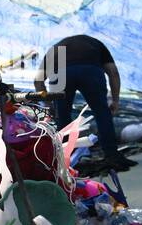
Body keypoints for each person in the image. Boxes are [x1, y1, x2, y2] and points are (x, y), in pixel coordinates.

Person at [33, 34, 134, 170]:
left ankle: (68, 160)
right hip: (90, 69)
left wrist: (48, 105)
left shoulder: (56, 49)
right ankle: (112, 156)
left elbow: (38, 80)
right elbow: (113, 72)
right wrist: (115, 100)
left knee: (62, 118)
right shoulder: (95, 44)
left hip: (61, 70)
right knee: (102, 113)